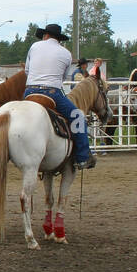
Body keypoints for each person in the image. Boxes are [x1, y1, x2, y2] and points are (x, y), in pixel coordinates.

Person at [22, 23, 94, 170]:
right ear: (59, 39)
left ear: (46, 35)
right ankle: (82, 158)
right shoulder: (66, 53)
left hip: (29, 92)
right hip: (52, 93)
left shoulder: (34, 46)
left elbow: (27, 71)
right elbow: (62, 77)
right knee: (78, 117)